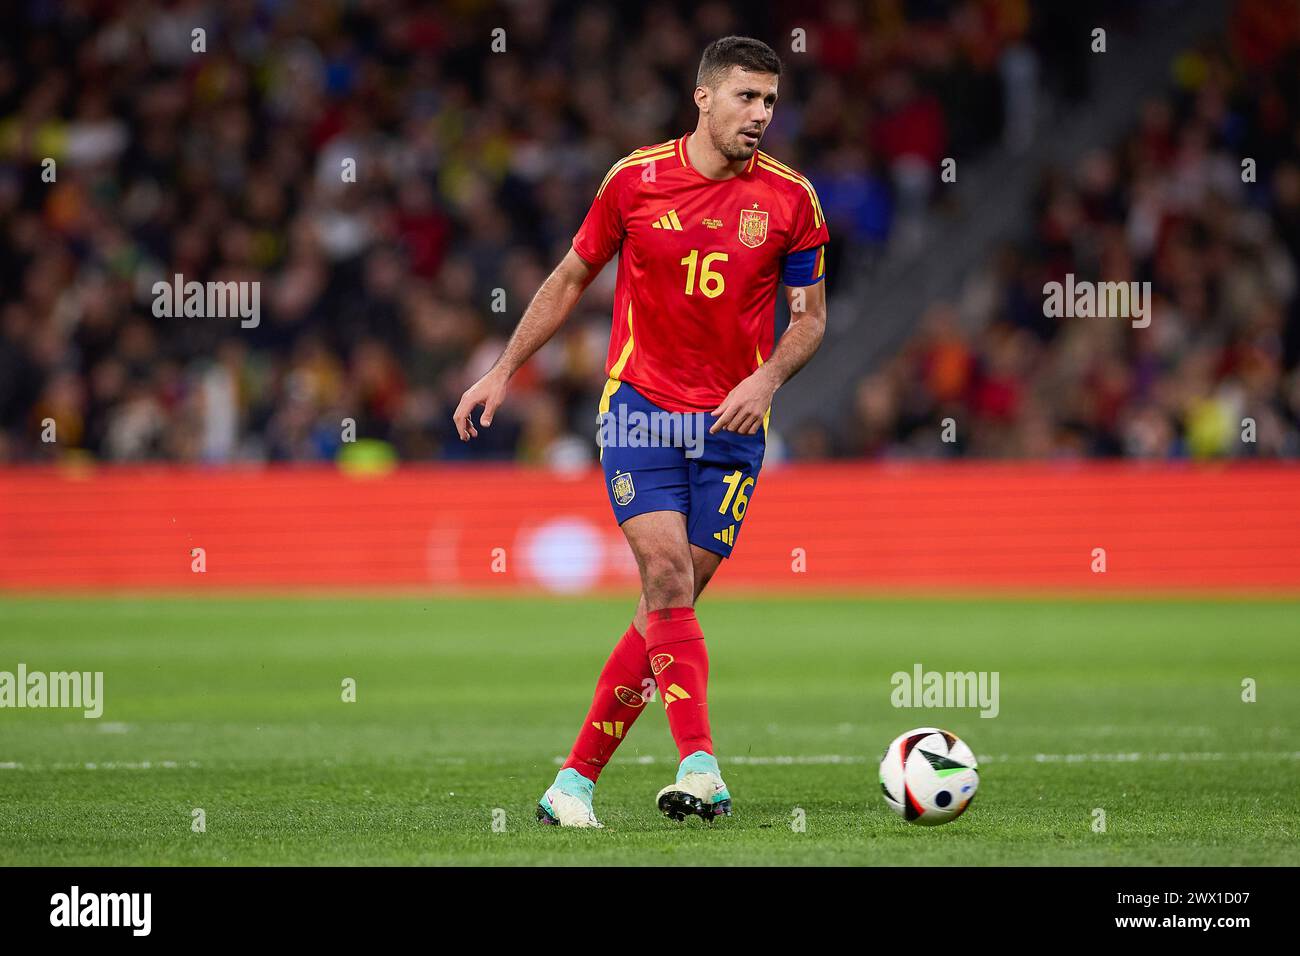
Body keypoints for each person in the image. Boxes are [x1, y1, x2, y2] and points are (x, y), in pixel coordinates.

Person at [453, 36, 829, 826]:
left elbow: (810, 320)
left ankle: (573, 784)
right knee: (665, 578)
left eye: (769, 101)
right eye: (745, 97)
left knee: (667, 609)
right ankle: (701, 768)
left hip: (733, 424)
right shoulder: (635, 179)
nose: (760, 114)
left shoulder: (792, 200)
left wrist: (765, 380)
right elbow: (568, 279)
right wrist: (503, 369)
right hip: (642, 409)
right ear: (703, 97)